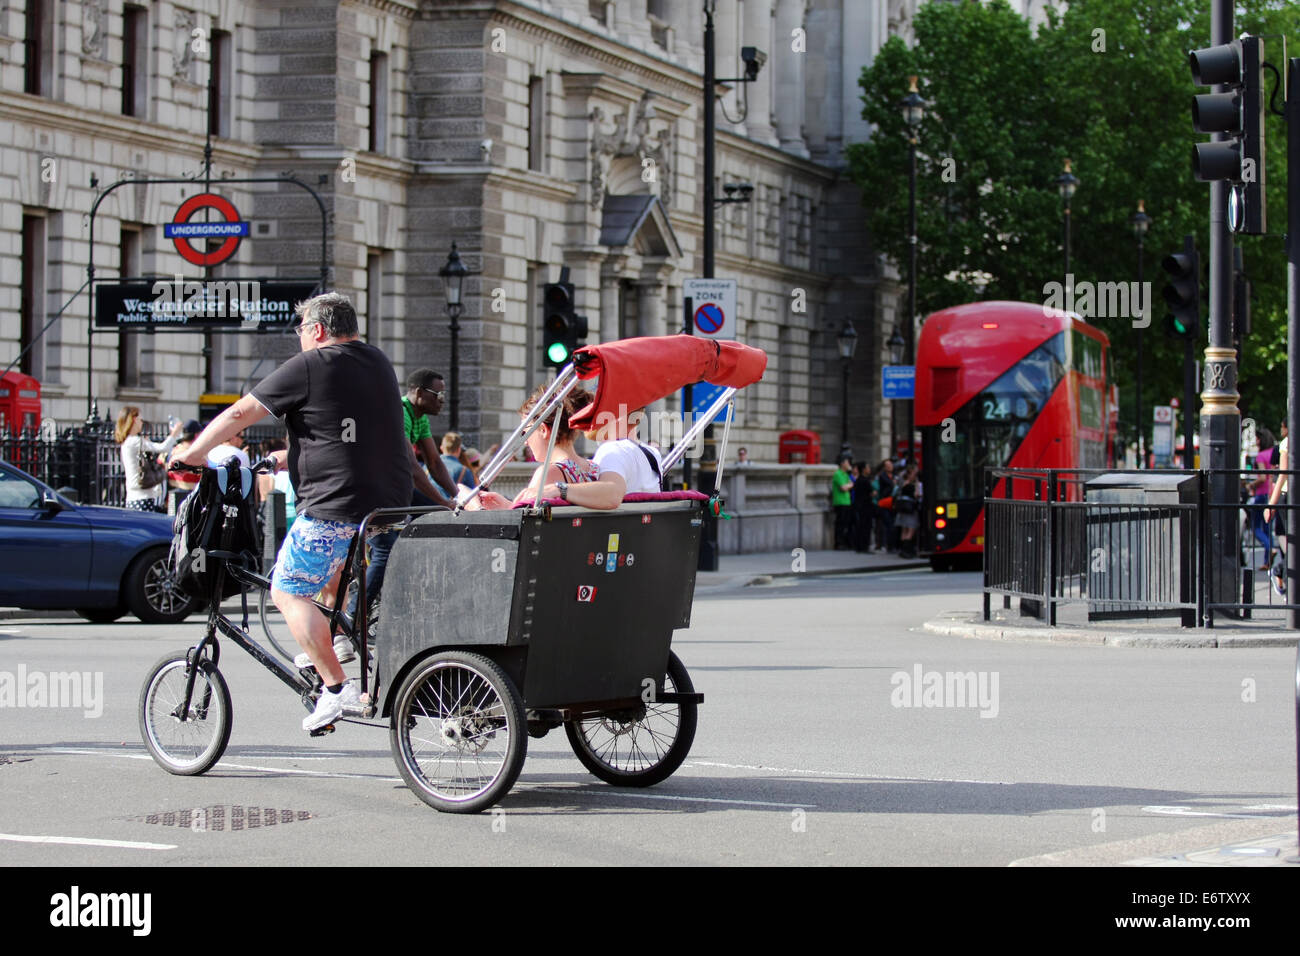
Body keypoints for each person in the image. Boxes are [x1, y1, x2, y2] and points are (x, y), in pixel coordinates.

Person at [174, 292, 414, 733]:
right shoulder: (377, 361)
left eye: (302, 330)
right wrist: (291, 455)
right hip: (386, 503)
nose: (300, 339)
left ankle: (335, 688)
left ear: (318, 330)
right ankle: (335, 643)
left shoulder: (313, 363)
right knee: (326, 579)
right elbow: (344, 432)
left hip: (337, 505)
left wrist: (193, 454)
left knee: (286, 590)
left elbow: (242, 412)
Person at [472, 385, 601, 509]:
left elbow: (525, 526)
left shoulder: (547, 473)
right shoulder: (595, 469)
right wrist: (508, 506)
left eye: (526, 432)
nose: (525, 442)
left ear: (543, 430)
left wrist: (476, 508)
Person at [401, 370, 459, 505]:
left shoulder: (421, 418)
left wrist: (459, 496)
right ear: (419, 393)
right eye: (439, 395)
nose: (442, 401)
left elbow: (434, 463)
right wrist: (444, 503)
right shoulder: (401, 413)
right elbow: (411, 466)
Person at [117, 406, 184, 512]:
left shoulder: (128, 442)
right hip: (142, 496)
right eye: (140, 419)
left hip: (134, 496)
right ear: (134, 420)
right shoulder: (134, 441)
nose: (142, 423)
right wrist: (174, 434)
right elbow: (163, 448)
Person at [895, 463, 922, 558]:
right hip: (910, 510)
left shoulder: (902, 483)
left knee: (904, 530)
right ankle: (907, 551)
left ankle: (902, 550)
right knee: (910, 530)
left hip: (902, 509)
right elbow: (917, 495)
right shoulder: (912, 484)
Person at [831, 455, 854, 549]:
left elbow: (851, 484)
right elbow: (844, 487)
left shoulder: (846, 474)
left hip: (847, 502)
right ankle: (838, 543)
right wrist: (849, 485)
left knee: (846, 524)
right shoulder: (838, 474)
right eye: (847, 462)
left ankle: (844, 542)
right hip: (840, 502)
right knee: (840, 524)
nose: (849, 464)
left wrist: (849, 485)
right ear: (842, 463)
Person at [852, 460, 874, 553]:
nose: (869, 469)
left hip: (859, 506)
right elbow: (870, 493)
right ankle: (864, 546)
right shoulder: (865, 481)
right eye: (868, 468)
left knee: (860, 526)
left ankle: (860, 546)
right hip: (865, 507)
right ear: (864, 469)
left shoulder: (858, 480)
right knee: (865, 527)